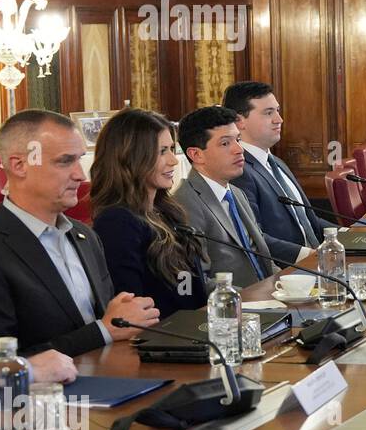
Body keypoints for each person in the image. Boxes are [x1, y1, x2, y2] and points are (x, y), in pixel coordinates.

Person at [0, 109, 159, 380]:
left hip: (113, 381)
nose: (80, 175)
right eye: (65, 161)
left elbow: (109, 321)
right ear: (19, 165)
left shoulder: (85, 236)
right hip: (40, 406)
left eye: (79, 160)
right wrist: (104, 330)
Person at [90, 109, 208, 317]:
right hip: (160, 340)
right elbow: (132, 306)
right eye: (162, 151)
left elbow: (189, 287)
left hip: (194, 331)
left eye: (172, 148)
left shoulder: (167, 211)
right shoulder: (117, 222)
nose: (173, 160)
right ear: (131, 157)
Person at [225, 81, 332, 264]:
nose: (279, 119)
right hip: (288, 275)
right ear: (239, 121)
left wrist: (347, 235)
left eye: (277, 110)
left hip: (319, 263)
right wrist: (309, 256)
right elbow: (255, 237)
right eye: (268, 113)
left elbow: (309, 220)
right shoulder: (239, 171)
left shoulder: (278, 163)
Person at [173, 105, 274, 289]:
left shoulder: (236, 192)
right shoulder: (185, 202)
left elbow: (260, 256)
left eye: (238, 139)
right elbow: (196, 280)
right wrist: (250, 299)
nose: (239, 149)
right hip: (235, 309)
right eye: (225, 143)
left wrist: (284, 286)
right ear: (196, 154)